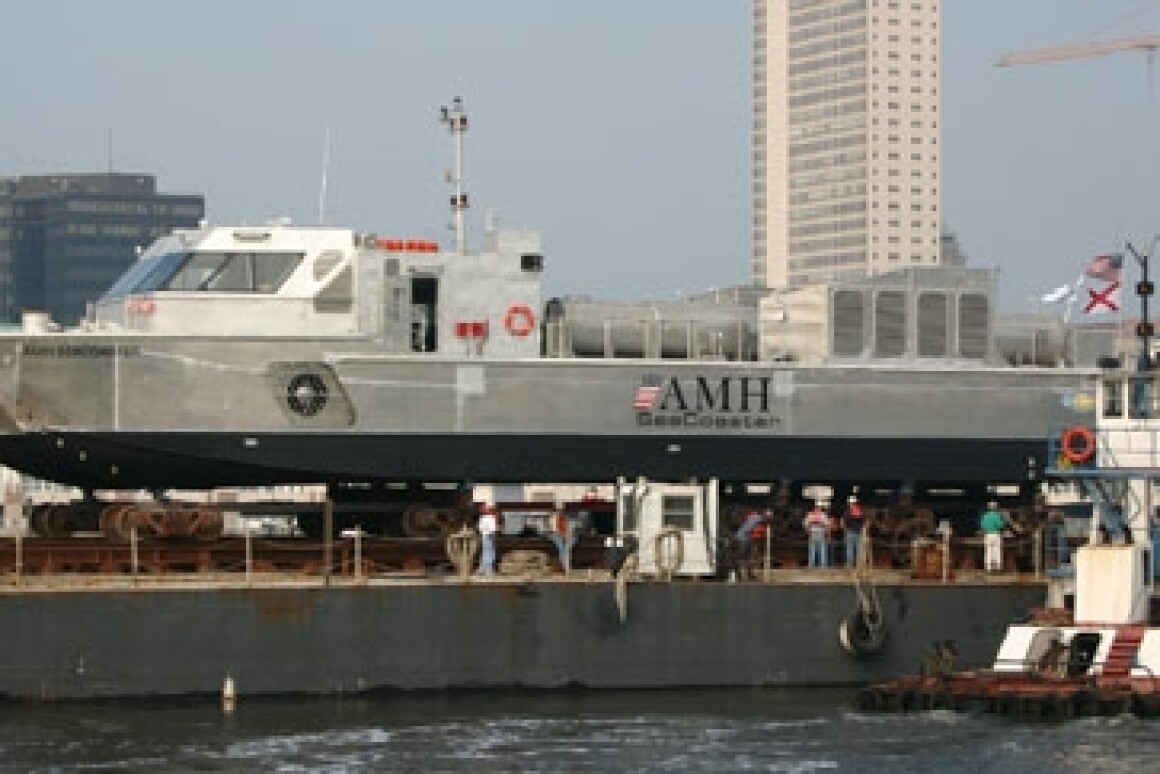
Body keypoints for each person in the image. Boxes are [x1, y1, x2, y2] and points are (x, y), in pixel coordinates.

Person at [734, 509, 768, 578]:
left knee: (748, 557)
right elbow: (748, 530)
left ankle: (747, 573)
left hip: (744, 538)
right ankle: (740, 573)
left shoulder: (755, 518)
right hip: (743, 539)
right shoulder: (757, 519)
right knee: (744, 557)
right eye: (767, 518)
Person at [979, 500, 1005, 572]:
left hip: (988, 535)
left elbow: (982, 526)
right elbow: (1000, 525)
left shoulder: (985, 516)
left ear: (988, 508)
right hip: (996, 534)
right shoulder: (997, 516)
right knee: (997, 550)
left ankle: (988, 568)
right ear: (995, 507)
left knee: (988, 550)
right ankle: (998, 567)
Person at [803, 501, 831, 568]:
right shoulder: (823, 515)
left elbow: (805, 524)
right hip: (821, 532)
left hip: (813, 533)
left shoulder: (810, 515)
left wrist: (808, 531)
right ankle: (823, 566)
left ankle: (811, 565)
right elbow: (827, 525)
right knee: (822, 549)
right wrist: (827, 534)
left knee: (812, 550)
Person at [548, 508, 576, 574]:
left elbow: (570, 530)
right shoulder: (553, 517)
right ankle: (565, 567)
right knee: (562, 548)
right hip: (557, 535)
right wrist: (562, 534)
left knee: (566, 548)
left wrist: (567, 535)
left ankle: (565, 567)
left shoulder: (567, 518)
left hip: (567, 536)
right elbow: (553, 530)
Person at [843, 495, 865, 568]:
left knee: (849, 550)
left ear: (850, 503)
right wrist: (862, 530)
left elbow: (844, 523)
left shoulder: (848, 512)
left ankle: (849, 566)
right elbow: (864, 522)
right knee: (859, 550)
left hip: (850, 532)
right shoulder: (860, 511)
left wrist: (845, 531)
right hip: (858, 532)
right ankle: (860, 565)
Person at [477, 503, 499, 576]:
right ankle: (488, 571)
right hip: (489, 536)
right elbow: (493, 529)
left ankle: (481, 569)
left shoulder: (482, 518)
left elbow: (480, 528)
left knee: (485, 552)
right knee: (489, 553)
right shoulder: (490, 518)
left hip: (484, 536)